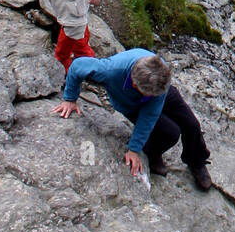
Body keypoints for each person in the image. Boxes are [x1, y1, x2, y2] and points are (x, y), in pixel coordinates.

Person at [54, 49, 213, 191]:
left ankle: (197, 161)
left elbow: (152, 110)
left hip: (159, 91)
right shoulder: (110, 71)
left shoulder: (161, 74)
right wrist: (70, 98)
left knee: (191, 124)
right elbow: (77, 66)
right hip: (131, 103)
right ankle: (152, 153)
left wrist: (134, 148)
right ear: (136, 85)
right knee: (169, 133)